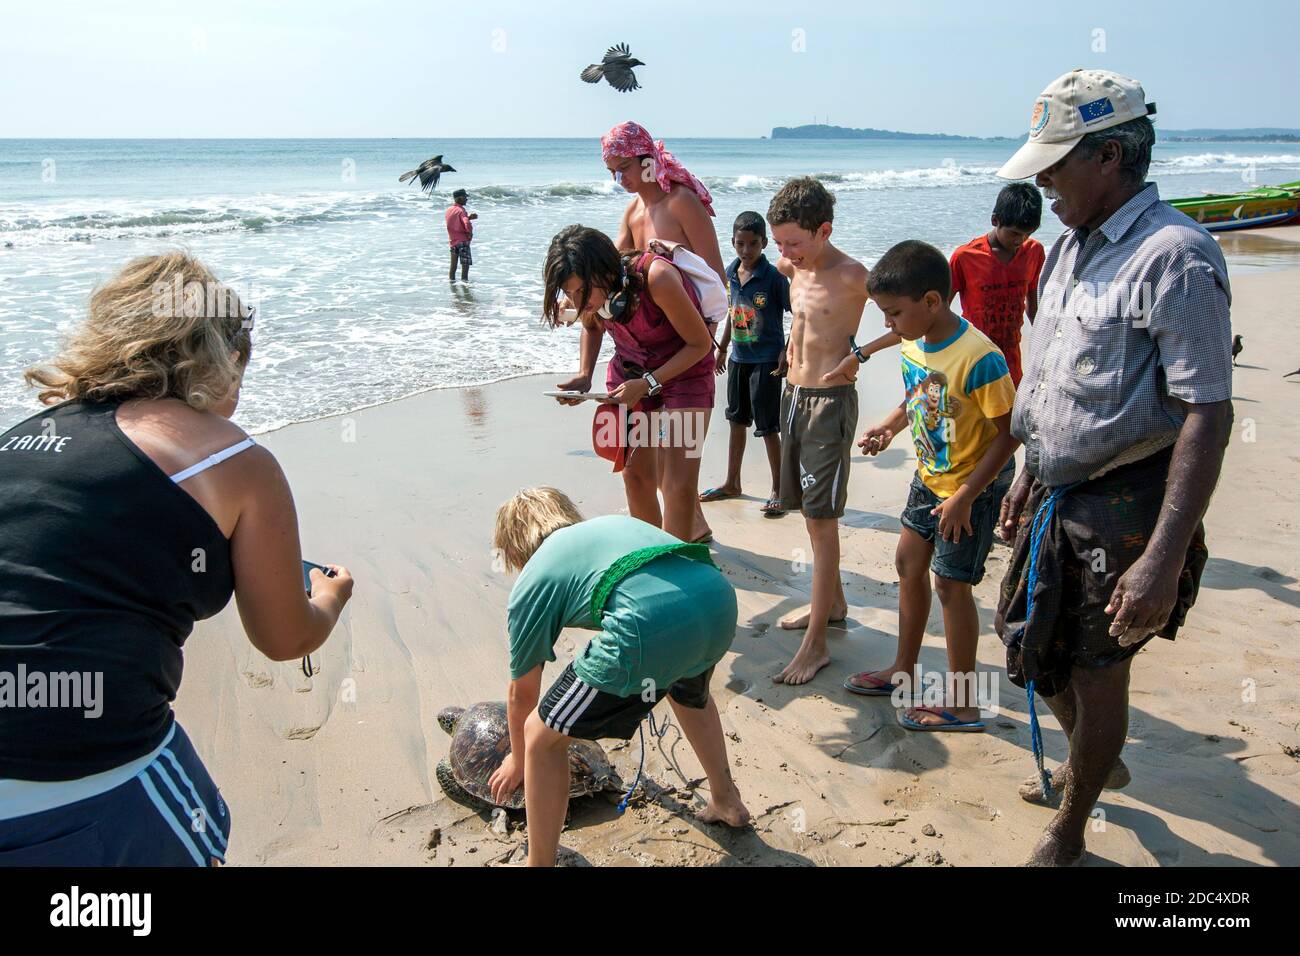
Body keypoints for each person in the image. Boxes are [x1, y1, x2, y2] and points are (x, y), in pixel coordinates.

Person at [0, 252, 353, 865]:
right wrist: (328, 599)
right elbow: (283, 637)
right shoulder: (229, 458)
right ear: (219, 360)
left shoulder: (20, 438)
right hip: (88, 774)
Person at [993, 69, 1232, 866]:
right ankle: (1094, 761)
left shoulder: (1176, 257)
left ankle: (1071, 826)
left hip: (1127, 497)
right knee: (1028, 642)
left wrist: (1163, 557)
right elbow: (1056, 376)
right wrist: (1029, 467)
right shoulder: (1064, 247)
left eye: (1057, 165)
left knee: (1099, 669)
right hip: (1056, 488)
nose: (1043, 182)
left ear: (1114, 155)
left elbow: (1207, 409)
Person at [488, 488, 750, 866]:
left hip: (649, 622)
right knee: (687, 692)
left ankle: (538, 863)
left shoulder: (534, 576)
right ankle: (727, 800)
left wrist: (517, 758)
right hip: (716, 599)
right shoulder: (612, 525)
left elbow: (521, 696)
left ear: (514, 548)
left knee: (540, 737)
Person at [845, 241, 1018, 732]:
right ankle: (904, 669)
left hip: (973, 488)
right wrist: (890, 426)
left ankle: (964, 704)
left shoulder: (980, 357)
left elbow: (1009, 433)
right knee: (907, 562)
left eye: (894, 312)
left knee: (951, 585)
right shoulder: (912, 339)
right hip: (930, 477)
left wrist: (965, 497)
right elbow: (920, 396)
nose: (888, 323)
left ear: (931, 302)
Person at [766, 177, 897, 685]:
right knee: (803, 510)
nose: (787, 253)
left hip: (829, 404)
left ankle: (816, 642)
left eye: (795, 242)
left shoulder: (853, 276)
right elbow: (745, 271)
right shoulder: (789, 266)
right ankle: (834, 602)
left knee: (822, 522)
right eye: (780, 243)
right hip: (792, 398)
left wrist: (860, 354)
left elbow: (913, 317)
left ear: (824, 230)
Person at [595, 121, 728, 543]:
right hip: (644, 355)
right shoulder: (633, 212)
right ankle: (692, 528)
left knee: (676, 470)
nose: (621, 180)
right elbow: (613, 277)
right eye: (613, 172)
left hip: (686, 354)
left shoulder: (681, 203)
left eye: (626, 168)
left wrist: (706, 340)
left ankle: (686, 540)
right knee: (645, 469)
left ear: (648, 158)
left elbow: (715, 278)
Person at [543, 225, 715, 543]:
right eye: (568, 293)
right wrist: (584, 375)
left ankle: (676, 563)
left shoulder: (657, 277)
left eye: (580, 292)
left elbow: (700, 345)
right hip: (631, 372)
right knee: (635, 475)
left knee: (679, 485)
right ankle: (650, 556)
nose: (576, 302)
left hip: (685, 372)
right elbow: (592, 327)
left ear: (605, 273)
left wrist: (650, 382)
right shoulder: (592, 297)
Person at [700, 211, 790, 517]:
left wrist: (787, 350)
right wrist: (722, 349)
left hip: (767, 360)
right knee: (735, 420)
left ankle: (779, 489)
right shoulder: (730, 273)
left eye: (753, 244)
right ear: (733, 242)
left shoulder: (775, 278)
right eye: (740, 243)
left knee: (768, 427)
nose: (746, 250)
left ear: (764, 243)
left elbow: (800, 313)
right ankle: (732, 482)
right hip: (739, 358)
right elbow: (733, 313)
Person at [948, 182, 1045, 385]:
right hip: (974, 353)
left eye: (1028, 233)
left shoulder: (1034, 251)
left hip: (1011, 354)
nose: (1021, 240)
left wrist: (1043, 341)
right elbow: (942, 308)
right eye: (1014, 233)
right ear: (995, 220)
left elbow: (1033, 305)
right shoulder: (965, 256)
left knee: (1011, 410)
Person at [445, 188, 477, 282]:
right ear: (459, 198)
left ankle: (452, 283)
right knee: (465, 264)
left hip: (453, 241)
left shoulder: (449, 210)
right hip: (463, 241)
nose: (467, 199)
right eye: (465, 197)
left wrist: (469, 217)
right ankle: (464, 283)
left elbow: (455, 222)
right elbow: (466, 223)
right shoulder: (461, 210)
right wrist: (470, 233)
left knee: (453, 266)